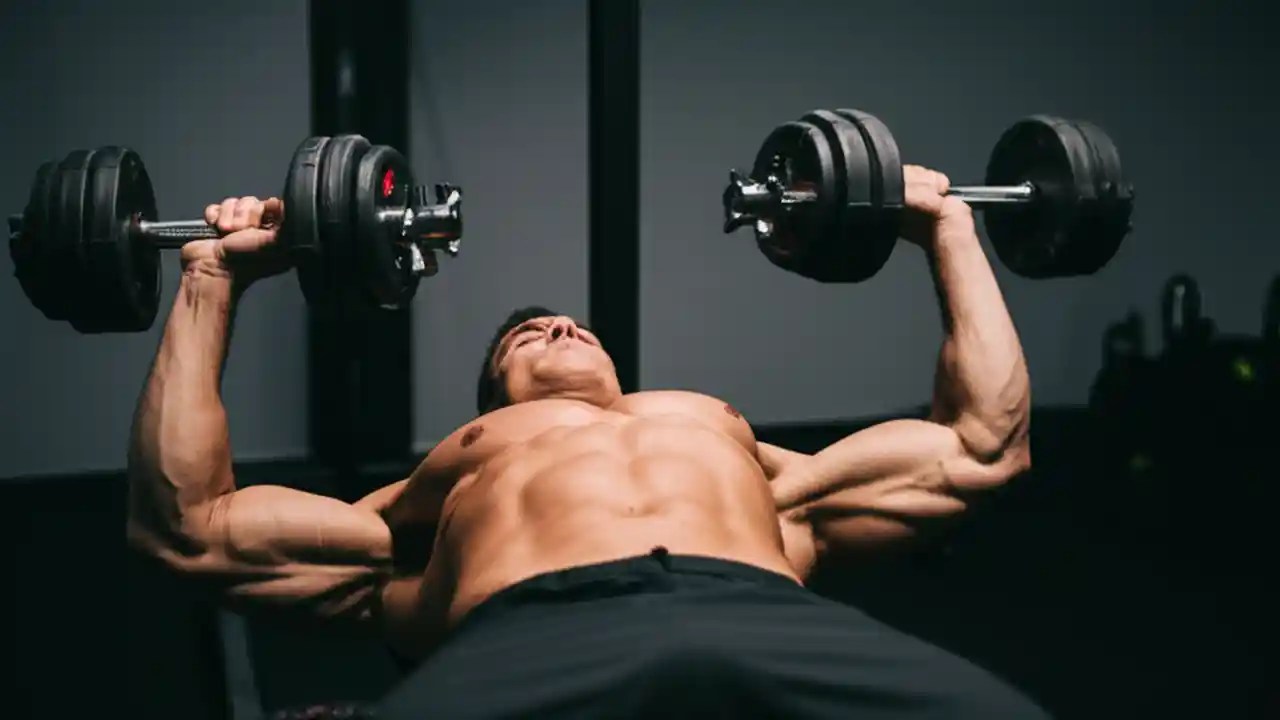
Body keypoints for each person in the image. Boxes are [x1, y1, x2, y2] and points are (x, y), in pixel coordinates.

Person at [126, 165, 1048, 718]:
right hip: (533, 633)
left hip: (764, 612)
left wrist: (948, 227)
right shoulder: (445, 493)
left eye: (579, 327)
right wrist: (211, 281)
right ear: (485, 414)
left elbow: (982, 443)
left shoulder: (742, 454)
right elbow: (191, 526)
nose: (562, 328)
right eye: (527, 337)